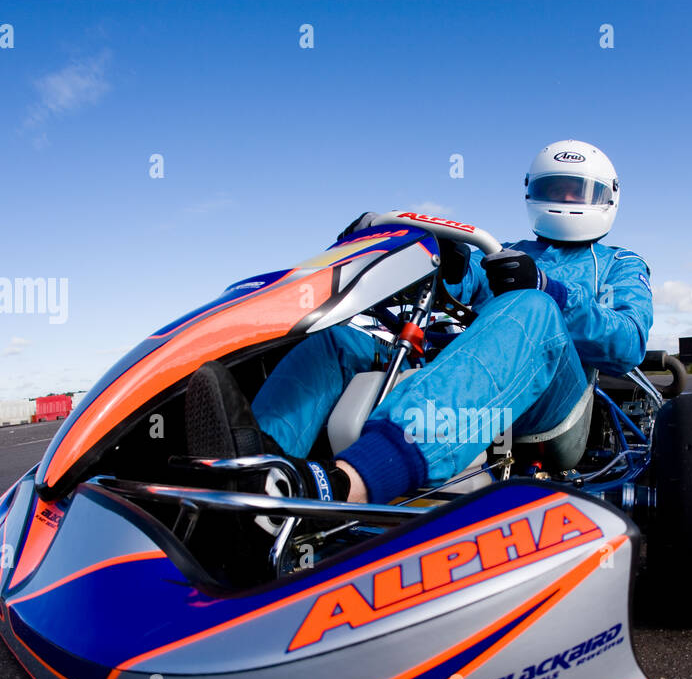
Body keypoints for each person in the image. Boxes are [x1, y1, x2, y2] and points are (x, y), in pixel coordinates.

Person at [186, 139, 653, 506]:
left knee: (530, 309)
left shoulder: (618, 263)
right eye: (554, 188)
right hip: (463, 370)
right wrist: (446, 262)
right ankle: (257, 469)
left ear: (605, 198)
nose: (565, 198)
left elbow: (627, 342)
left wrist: (550, 290)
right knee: (338, 343)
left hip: (554, 401)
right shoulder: (506, 254)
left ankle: (348, 483)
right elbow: (462, 284)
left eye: (576, 190)